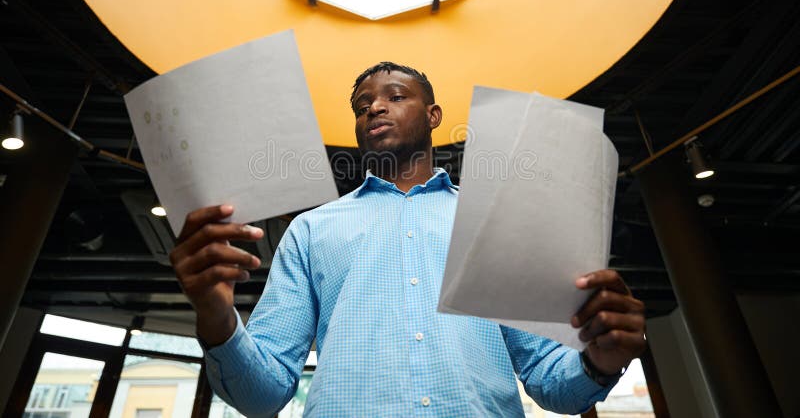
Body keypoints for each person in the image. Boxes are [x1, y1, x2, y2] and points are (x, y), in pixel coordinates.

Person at [169, 62, 646, 417]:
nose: (374, 106)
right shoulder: (312, 230)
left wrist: (599, 362)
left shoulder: (492, 222)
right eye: (362, 106)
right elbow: (264, 394)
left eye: (395, 96)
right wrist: (214, 315)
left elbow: (548, 377)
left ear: (434, 115)